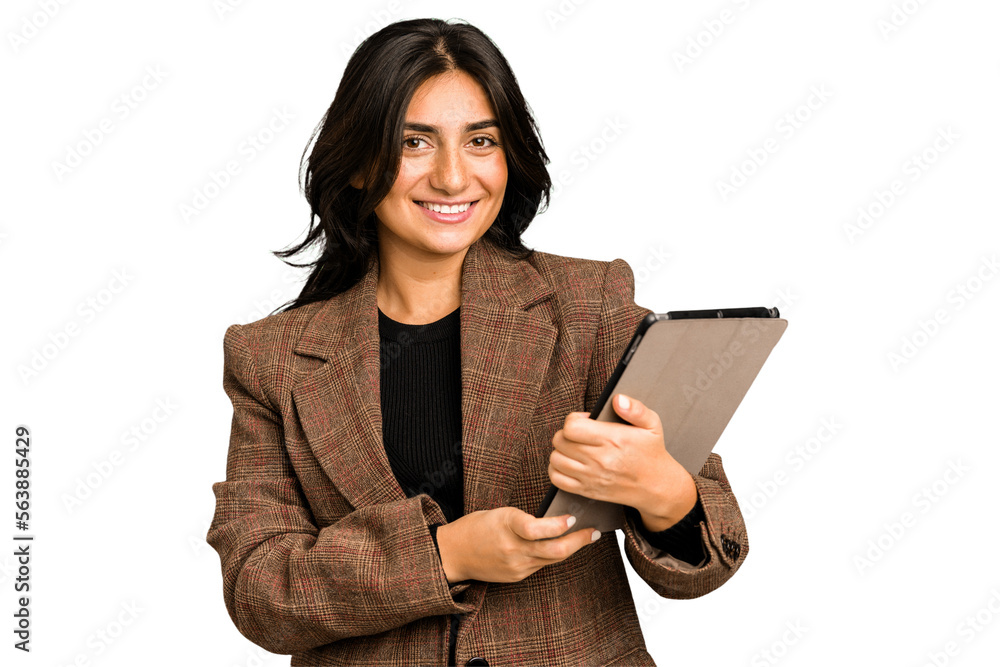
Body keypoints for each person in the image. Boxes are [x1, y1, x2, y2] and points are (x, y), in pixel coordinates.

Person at [207, 17, 749, 667]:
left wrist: (665, 493)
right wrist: (447, 554)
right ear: (356, 162)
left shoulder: (589, 305)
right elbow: (259, 590)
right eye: (414, 141)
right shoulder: (271, 357)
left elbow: (711, 558)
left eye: (481, 140)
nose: (452, 176)